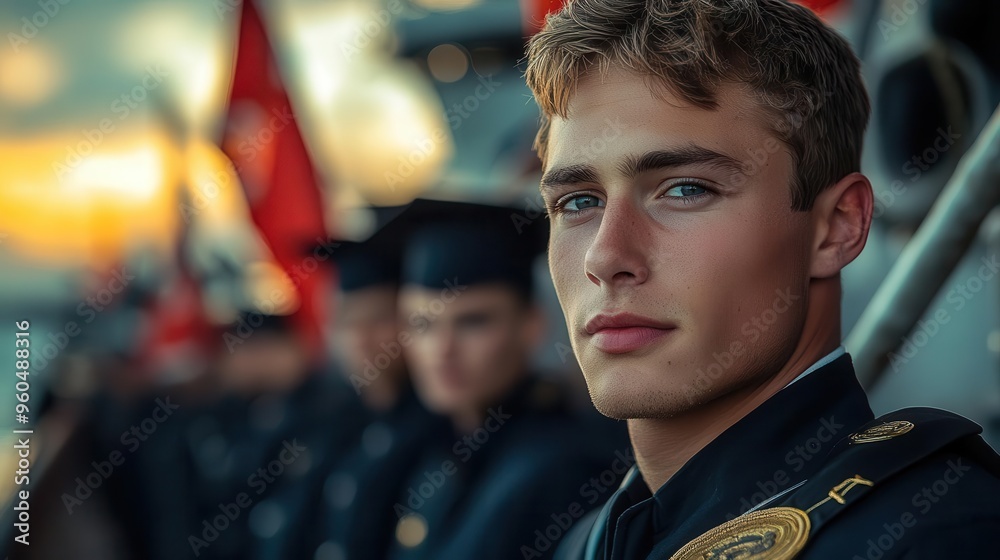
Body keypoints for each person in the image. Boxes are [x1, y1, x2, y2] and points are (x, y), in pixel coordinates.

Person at [522, 1, 1000, 558]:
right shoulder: (590, 543)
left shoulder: (938, 535)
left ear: (836, 228)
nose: (606, 256)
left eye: (685, 190)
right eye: (578, 201)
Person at [383, 199, 628, 560]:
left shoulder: (566, 469)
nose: (442, 350)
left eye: (473, 321)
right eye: (424, 324)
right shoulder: (438, 455)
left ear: (530, 325)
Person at [277, 206, 449, 560]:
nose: (360, 338)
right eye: (345, 321)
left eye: (376, 318)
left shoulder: (442, 430)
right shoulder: (337, 425)